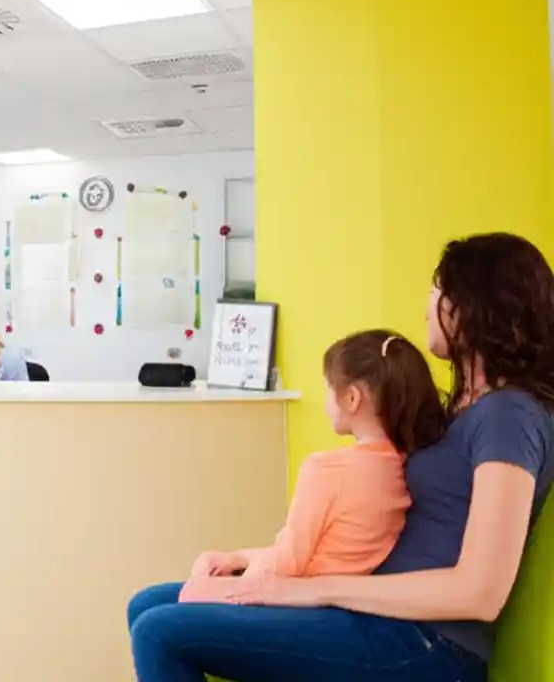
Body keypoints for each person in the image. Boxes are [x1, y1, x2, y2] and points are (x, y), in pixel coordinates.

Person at [127, 232, 554, 682]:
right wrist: (248, 558)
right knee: (151, 604)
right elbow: (374, 528)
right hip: (381, 618)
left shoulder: (510, 415)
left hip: (426, 643)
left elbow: (480, 592)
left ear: (473, 307)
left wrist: (318, 591)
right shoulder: (465, 407)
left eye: (439, 289)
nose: (429, 301)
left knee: (161, 630)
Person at [178, 330, 444, 604]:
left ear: (352, 398)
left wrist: (231, 585)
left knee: (178, 603)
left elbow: (289, 561)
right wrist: (237, 558)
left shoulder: (327, 470)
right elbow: (317, 553)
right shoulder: (396, 469)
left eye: (329, 388)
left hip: (299, 599)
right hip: (331, 597)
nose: (326, 401)